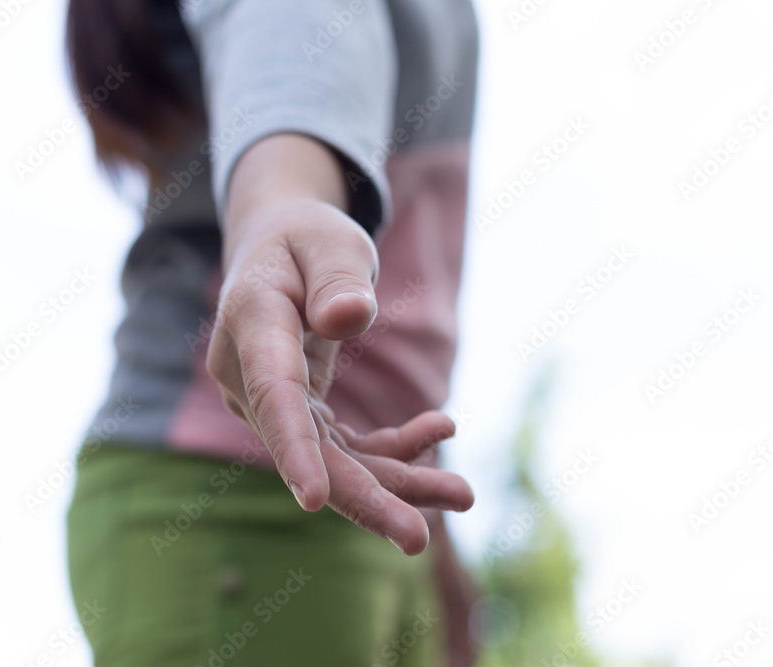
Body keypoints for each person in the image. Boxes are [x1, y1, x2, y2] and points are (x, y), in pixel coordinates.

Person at [64, 0, 481, 664]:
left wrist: (437, 550)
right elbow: (289, 33)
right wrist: (282, 201)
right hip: (227, 493)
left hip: (366, 493)